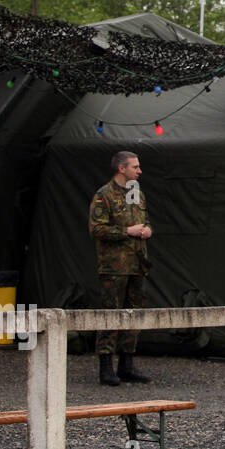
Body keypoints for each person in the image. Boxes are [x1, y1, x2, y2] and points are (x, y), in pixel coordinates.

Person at [89, 149, 154, 387]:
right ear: (121, 168)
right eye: (135, 167)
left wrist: (147, 230)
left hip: (137, 264)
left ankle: (127, 365)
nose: (139, 171)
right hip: (114, 266)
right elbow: (97, 229)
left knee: (134, 314)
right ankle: (106, 367)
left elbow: (144, 221)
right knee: (110, 314)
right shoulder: (104, 195)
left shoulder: (137, 194)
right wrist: (126, 231)